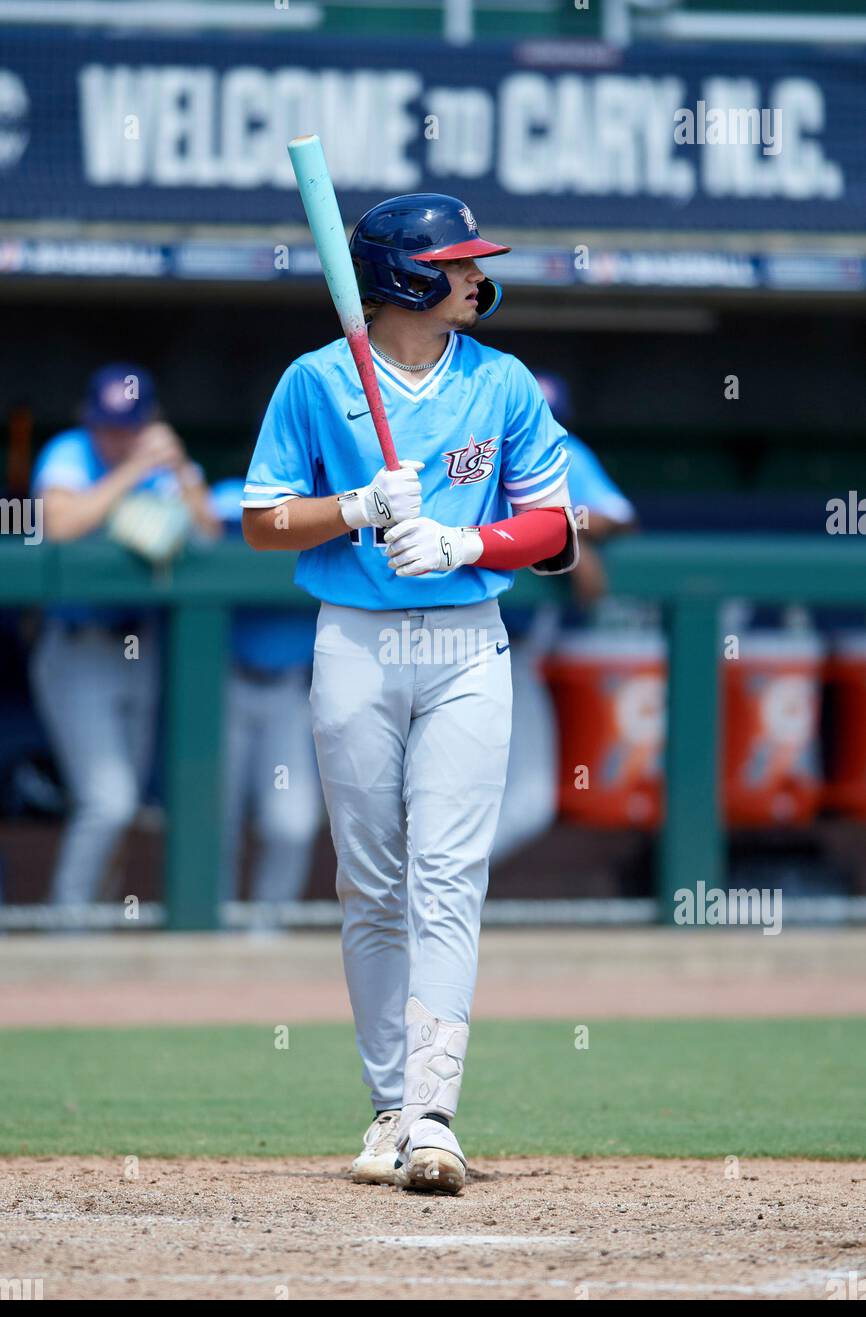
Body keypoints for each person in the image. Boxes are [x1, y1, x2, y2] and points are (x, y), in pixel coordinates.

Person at [242, 194, 577, 1194]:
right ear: (403, 278)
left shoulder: (503, 382)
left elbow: (556, 527)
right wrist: (351, 507)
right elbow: (260, 520)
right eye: (457, 263)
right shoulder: (314, 381)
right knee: (369, 879)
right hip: (352, 640)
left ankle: (433, 1112)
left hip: (468, 642)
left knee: (446, 873)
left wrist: (462, 541)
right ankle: (388, 1104)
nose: (475, 277)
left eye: (475, 263)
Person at [30, 363, 217, 907]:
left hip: (142, 645)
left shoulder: (163, 460)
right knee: (107, 801)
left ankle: (94, 921)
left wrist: (179, 470)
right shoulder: (70, 451)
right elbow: (58, 525)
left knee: (125, 802)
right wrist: (134, 470)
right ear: (90, 420)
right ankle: (67, 927)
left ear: (149, 420)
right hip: (76, 645)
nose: (114, 437)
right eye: (106, 426)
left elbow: (210, 537)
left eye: (127, 426)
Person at [491, 371, 637, 863]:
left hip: (515, 658)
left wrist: (565, 524)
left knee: (529, 803)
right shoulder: (468, 448)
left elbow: (619, 517)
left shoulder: (564, 455)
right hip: (434, 643)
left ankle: (429, 896)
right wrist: (557, 528)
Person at [209, 479, 321, 913]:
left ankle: (266, 931)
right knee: (218, 819)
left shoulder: (339, 503)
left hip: (291, 692)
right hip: (227, 682)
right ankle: (209, 924)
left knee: (290, 824)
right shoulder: (231, 497)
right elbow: (204, 521)